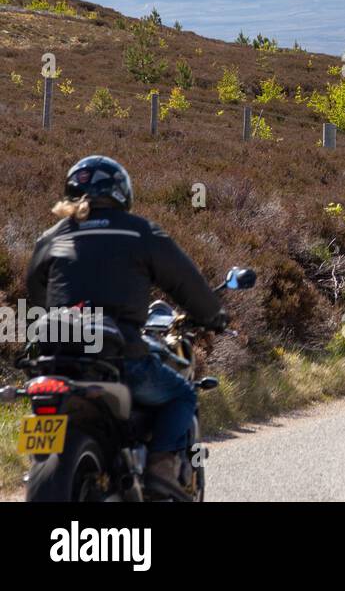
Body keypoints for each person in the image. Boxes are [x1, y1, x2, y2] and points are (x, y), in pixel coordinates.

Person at [25, 156, 229, 492]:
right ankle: (160, 469)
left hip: (56, 358)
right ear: (121, 193)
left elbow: (36, 294)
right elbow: (184, 281)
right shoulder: (139, 232)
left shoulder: (51, 237)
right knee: (181, 395)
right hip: (120, 358)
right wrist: (214, 316)